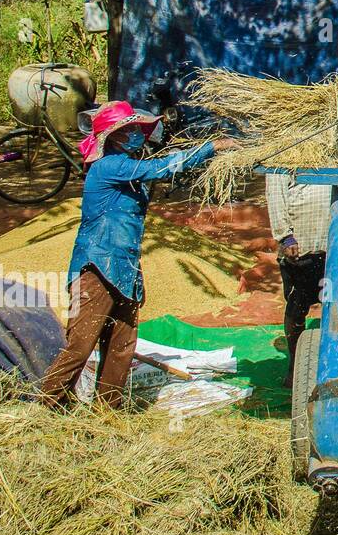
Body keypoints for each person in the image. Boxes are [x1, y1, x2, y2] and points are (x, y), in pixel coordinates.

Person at [38, 101, 237, 409]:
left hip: (124, 269)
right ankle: (46, 404)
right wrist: (211, 147)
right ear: (113, 136)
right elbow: (162, 167)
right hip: (96, 268)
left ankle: (108, 410)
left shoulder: (125, 167)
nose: (135, 135)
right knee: (81, 344)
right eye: (128, 130)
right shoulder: (109, 166)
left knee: (121, 345)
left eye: (136, 129)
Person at [265, 171, 331, 386]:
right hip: (301, 245)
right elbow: (276, 197)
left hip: (332, 244)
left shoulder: (337, 146)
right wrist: (285, 236)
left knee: (335, 303)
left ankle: (332, 362)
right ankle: (295, 365)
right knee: (298, 304)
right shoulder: (284, 158)